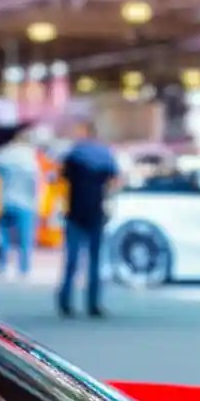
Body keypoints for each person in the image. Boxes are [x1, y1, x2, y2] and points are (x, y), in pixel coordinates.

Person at [57, 121, 118, 318]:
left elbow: (62, 177)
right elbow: (113, 180)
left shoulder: (73, 154)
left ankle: (65, 301)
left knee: (72, 260)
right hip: (95, 211)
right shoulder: (105, 155)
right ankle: (93, 304)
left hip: (74, 211)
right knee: (94, 261)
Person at [0, 126, 43, 279]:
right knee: (25, 238)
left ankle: (2, 267)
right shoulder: (30, 156)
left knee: (4, 237)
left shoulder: (4, 153)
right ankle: (24, 269)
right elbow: (35, 181)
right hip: (26, 203)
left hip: (7, 200)